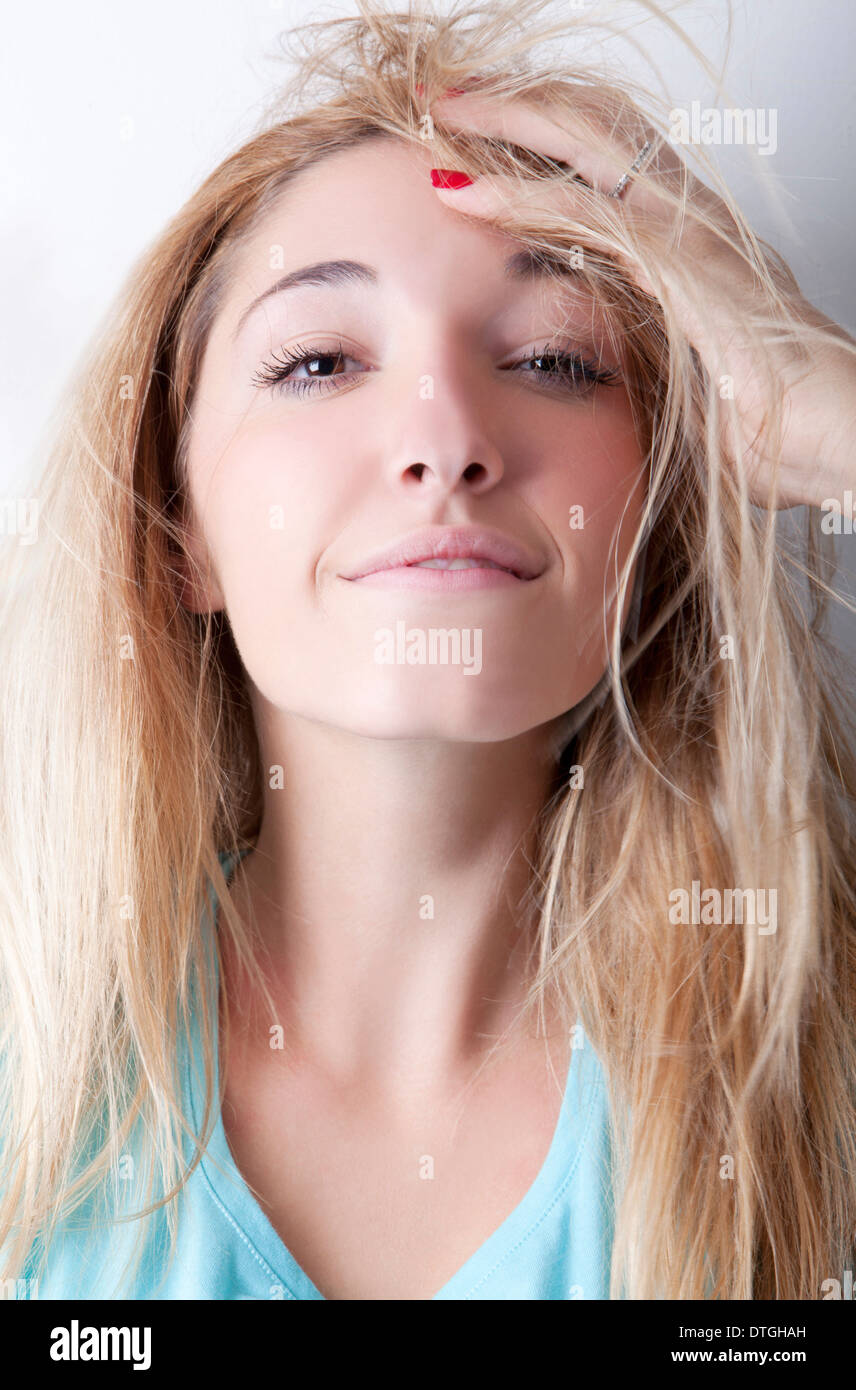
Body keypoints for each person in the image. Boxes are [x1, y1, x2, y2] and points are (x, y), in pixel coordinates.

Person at [2, 0, 855, 1301]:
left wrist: (818, 416)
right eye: (320, 361)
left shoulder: (823, 1076)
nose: (445, 433)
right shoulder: (27, 1070)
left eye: (557, 357)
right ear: (181, 529)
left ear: (663, 511)